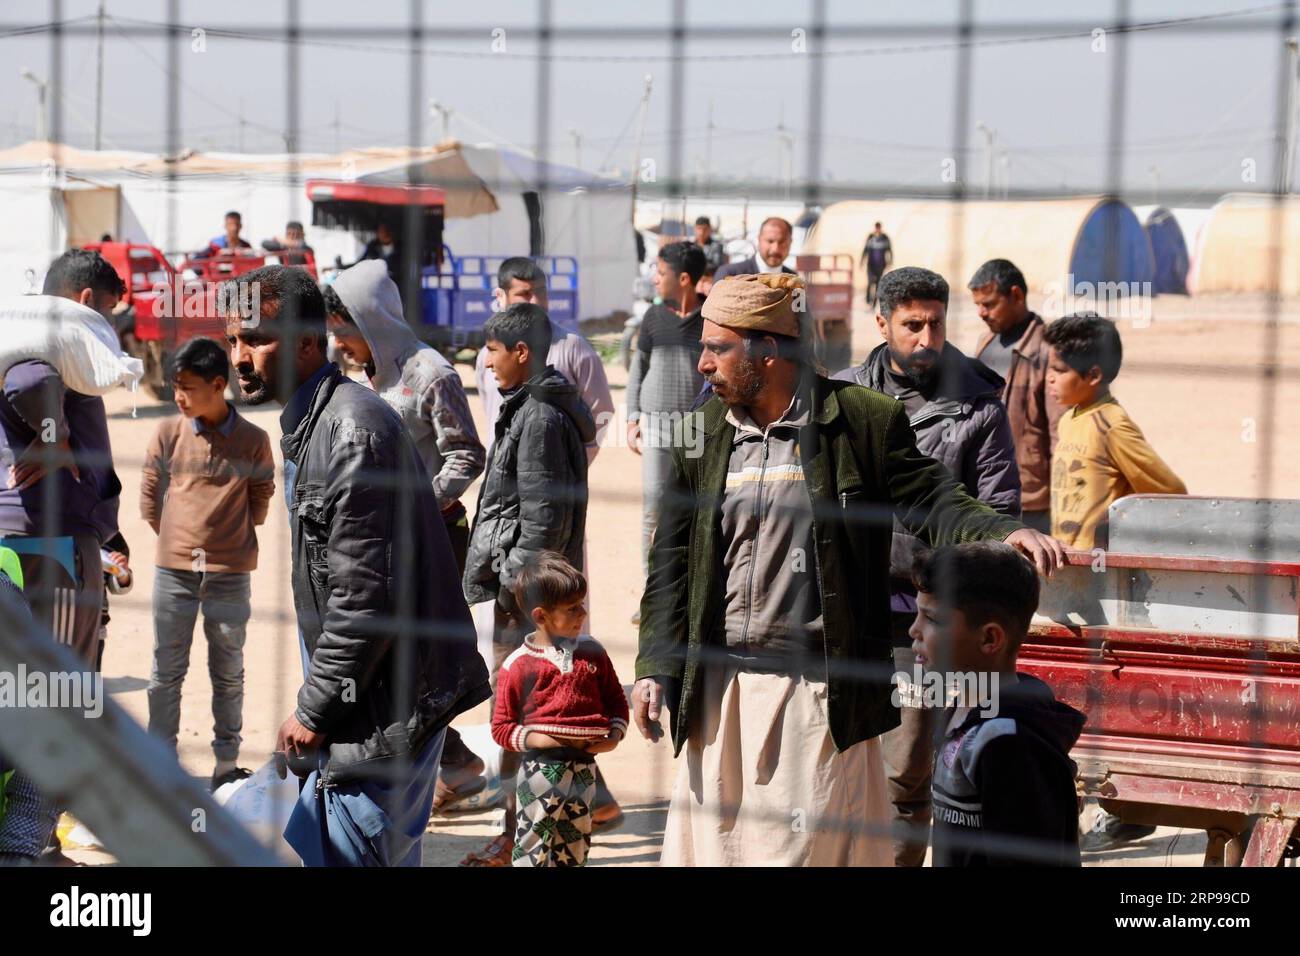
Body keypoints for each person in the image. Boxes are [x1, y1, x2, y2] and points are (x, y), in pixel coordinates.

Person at [633, 272, 1065, 866]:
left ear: (767, 349)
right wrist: (655, 666)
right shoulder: (703, 431)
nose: (703, 363)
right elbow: (671, 561)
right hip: (719, 697)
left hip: (817, 699)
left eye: (717, 347)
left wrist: (1002, 529)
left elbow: (932, 498)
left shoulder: (860, 420)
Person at [225, 264, 489, 866]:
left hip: (381, 704)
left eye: (256, 338)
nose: (240, 356)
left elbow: (364, 596)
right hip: (367, 695)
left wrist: (316, 707)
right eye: (233, 339)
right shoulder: (314, 422)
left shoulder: (350, 431)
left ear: (307, 342)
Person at [832, 266, 1021, 866]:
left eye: (936, 323)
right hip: (848, 611)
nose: (926, 337)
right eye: (912, 324)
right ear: (882, 322)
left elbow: (994, 515)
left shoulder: (977, 406)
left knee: (907, 774)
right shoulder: (840, 397)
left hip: (928, 617)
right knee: (839, 770)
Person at [324, 259, 488, 809]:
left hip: (433, 537)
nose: (336, 341)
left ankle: (449, 766)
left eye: (341, 328)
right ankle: (452, 763)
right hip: (380, 540)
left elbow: (466, 455)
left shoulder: (431, 373)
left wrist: (420, 504)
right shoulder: (363, 374)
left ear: (368, 320)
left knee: (418, 659)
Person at [0, 248, 125, 863]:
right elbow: (30, 381)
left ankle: (32, 839)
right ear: (84, 302)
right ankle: (21, 845)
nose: (111, 327)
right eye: (108, 310)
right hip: (50, 550)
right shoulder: (48, 350)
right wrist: (55, 435)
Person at [460, 302, 596, 867]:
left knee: (527, 717)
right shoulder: (530, 406)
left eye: (491, 350)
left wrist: (520, 592)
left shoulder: (538, 415)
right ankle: (533, 831)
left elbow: (542, 518)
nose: (484, 361)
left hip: (528, 600)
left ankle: (521, 837)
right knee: (538, 715)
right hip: (528, 596)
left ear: (522, 353)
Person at [139, 337, 276, 791]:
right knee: (165, 672)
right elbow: (150, 497)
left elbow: (260, 498)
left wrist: (228, 539)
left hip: (230, 576)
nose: (178, 397)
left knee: (228, 672)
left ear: (219, 385)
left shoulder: (254, 441)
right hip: (172, 573)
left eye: (187, 387)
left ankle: (225, 765)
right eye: (174, 387)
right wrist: (179, 541)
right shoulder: (168, 433)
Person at [910, 542, 1085, 866]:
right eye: (917, 613)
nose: (914, 630)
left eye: (932, 619)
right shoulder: (961, 711)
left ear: (990, 639)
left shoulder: (1009, 742)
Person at [490, 552, 628, 867]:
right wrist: (538, 739)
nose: (583, 612)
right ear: (541, 616)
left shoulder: (593, 653)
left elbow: (616, 700)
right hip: (541, 771)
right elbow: (502, 727)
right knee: (533, 849)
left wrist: (614, 735)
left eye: (582, 603)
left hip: (584, 769)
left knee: (574, 849)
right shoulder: (519, 665)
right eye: (572, 608)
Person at [1046, 313, 1186, 553]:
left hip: (1098, 568)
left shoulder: (1111, 426)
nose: (1049, 378)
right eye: (1049, 368)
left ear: (1094, 376)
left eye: (1059, 371)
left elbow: (1172, 492)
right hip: (1067, 563)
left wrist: (1123, 529)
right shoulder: (1068, 419)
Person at [474, 257, 614, 464]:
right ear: (500, 296)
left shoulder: (574, 348)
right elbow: (492, 410)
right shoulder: (487, 355)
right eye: (524, 294)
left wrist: (574, 466)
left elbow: (601, 412)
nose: (536, 302)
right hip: (500, 479)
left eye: (540, 292)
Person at [626, 241, 706, 588]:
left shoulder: (709, 320)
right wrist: (631, 417)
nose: (655, 280)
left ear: (684, 278)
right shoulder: (653, 317)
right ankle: (652, 589)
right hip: (656, 424)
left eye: (661, 273)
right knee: (653, 508)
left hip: (696, 427)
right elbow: (637, 368)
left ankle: (688, 586)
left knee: (694, 507)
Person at [969, 259, 1062, 533]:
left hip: (1029, 500)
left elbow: (1061, 435)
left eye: (989, 304)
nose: (981, 313)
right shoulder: (983, 343)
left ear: (1017, 296)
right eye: (977, 305)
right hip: (982, 492)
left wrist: (1063, 504)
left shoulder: (1047, 351)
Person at [714, 216, 797, 280]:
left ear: (790, 242)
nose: (775, 249)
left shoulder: (795, 281)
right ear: (759, 239)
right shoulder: (730, 275)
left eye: (782, 242)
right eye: (770, 241)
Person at [860, 221, 892, 306]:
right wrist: (862, 261)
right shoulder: (870, 237)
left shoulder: (885, 238)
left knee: (878, 283)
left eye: (879, 227)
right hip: (871, 264)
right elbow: (865, 250)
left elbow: (889, 250)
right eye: (876, 227)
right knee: (870, 282)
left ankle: (874, 302)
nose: (878, 229)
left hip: (881, 265)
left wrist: (890, 261)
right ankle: (868, 300)